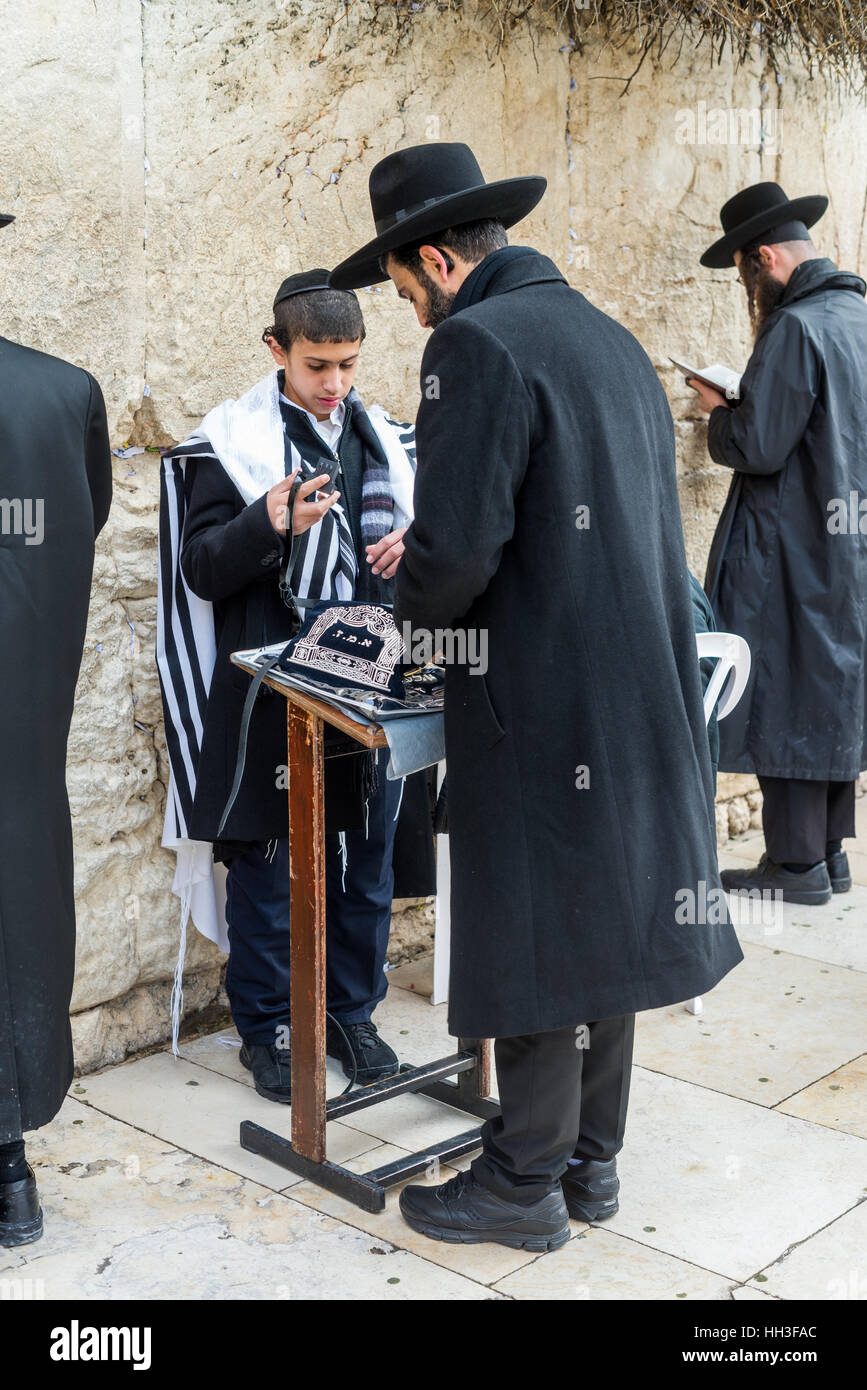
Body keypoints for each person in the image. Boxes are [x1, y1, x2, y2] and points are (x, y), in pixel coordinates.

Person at [331, 143, 742, 1250]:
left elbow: (461, 553)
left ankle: (520, 1185)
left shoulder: (474, 342)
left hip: (544, 696)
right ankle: (588, 1168)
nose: (410, 312)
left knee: (538, 931)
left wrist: (404, 615)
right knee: (605, 920)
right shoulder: (606, 335)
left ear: (435, 262)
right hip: (641, 690)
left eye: (404, 289)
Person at [157, 270, 434, 1104]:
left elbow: (433, 544)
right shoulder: (226, 448)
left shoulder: (390, 440)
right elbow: (200, 571)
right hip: (267, 684)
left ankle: (353, 1012)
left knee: (366, 858)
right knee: (269, 865)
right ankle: (269, 1026)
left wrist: (415, 545)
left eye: (348, 363)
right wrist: (265, 522)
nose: (335, 384)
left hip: (373, 673)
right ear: (275, 350)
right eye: (317, 364)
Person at [691, 182, 867, 906]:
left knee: (788, 684)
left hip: (791, 543)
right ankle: (826, 854)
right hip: (843, 543)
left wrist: (717, 412)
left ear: (763, 257)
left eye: (742, 272)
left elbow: (759, 446)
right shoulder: (855, 315)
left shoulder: (794, 327)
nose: (746, 287)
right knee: (827, 680)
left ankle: (794, 866)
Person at [0, 208, 113, 1247]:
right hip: (22, 730)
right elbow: (90, 512)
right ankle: (8, 1163)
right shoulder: (65, 392)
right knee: (20, 899)